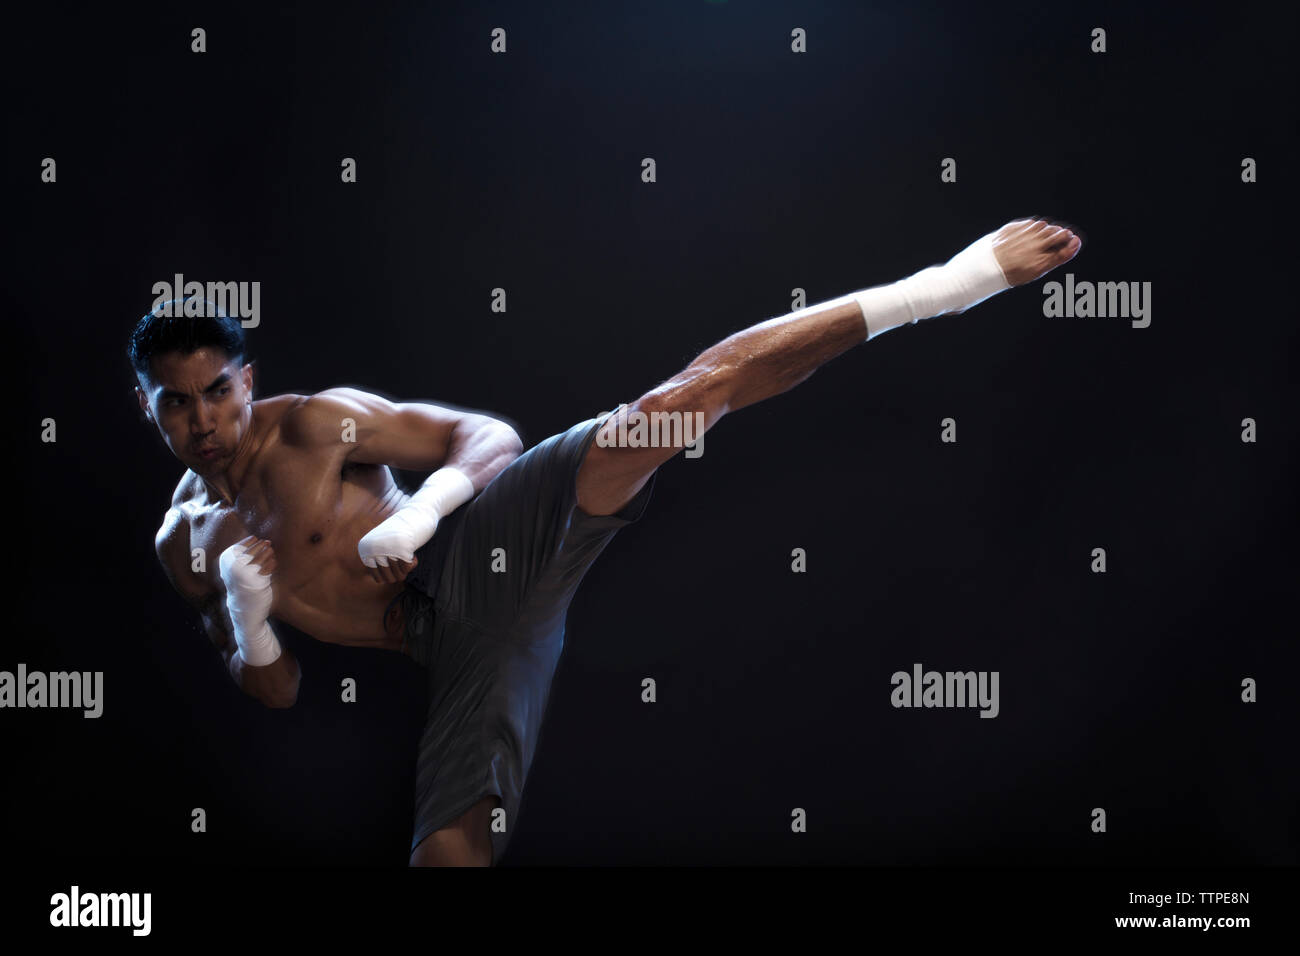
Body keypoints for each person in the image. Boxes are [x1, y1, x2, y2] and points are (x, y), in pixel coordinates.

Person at [136, 218, 1081, 866]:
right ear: (150, 410)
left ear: (247, 380)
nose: (205, 418)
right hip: (459, 643)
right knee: (447, 853)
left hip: (484, 543)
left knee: (667, 411)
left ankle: (941, 288)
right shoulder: (184, 546)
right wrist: (248, 620)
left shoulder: (317, 428)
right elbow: (276, 689)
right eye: (178, 402)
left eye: (218, 389)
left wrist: (422, 510)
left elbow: (489, 438)